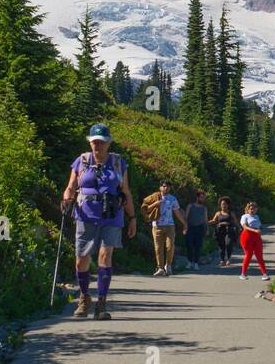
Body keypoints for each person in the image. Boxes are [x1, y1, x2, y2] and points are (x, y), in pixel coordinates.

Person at [61, 123, 136, 320]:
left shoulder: (119, 163)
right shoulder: (82, 161)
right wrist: (67, 199)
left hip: (112, 215)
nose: (97, 145)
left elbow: (126, 191)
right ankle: (84, 297)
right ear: (90, 142)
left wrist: (133, 218)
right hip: (85, 215)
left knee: (105, 256)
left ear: (108, 143)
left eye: (101, 142)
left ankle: (101, 303)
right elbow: (70, 186)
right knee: (81, 260)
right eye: (94, 142)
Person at [150, 180, 187, 277]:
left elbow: (177, 212)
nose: (166, 188)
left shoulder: (172, 199)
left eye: (168, 186)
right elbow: (146, 208)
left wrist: (184, 223)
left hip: (170, 225)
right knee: (158, 248)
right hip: (156, 225)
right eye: (164, 186)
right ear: (160, 187)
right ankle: (160, 268)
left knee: (170, 246)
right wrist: (155, 203)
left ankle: (168, 265)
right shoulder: (154, 197)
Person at [239, 201, 269, 281]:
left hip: (257, 237)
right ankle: (243, 273)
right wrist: (254, 230)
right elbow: (244, 226)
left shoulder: (257, 217)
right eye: (250, 209)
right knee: (249, 255)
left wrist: (259, 229)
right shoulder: (245, 216)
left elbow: (259, 226)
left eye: (254, 209)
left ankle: (264, 274)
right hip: (247, 236)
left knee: (259, 255)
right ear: (248, 209)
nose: (252, 210)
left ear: (256, 209)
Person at [183, 190, 209, 270]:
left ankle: (196, 263)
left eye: (203, 198)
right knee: (189, 245)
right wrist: (185, 227)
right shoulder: (190, 206)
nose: (202, 199)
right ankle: (190, 261)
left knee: (198, 246)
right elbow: (186, 217)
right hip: (190, 227)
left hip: (200, 228)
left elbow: (205, 219)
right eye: (201, 197)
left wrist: (207, 229)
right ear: (197, 197)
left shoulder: (204, 208)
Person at [210, 196, 238, 266]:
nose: (223, 205)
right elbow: (214, 220)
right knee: (221, 246)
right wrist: (205, 222)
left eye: (225, 204)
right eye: (222, 204)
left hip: (229, 231)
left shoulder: (231, 213)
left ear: (228, 205)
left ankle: (228, 259)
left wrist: (239, 228)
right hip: (220, 231)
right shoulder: (218, 213)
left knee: (228, 244)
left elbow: (235, 222)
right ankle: (222, 260)